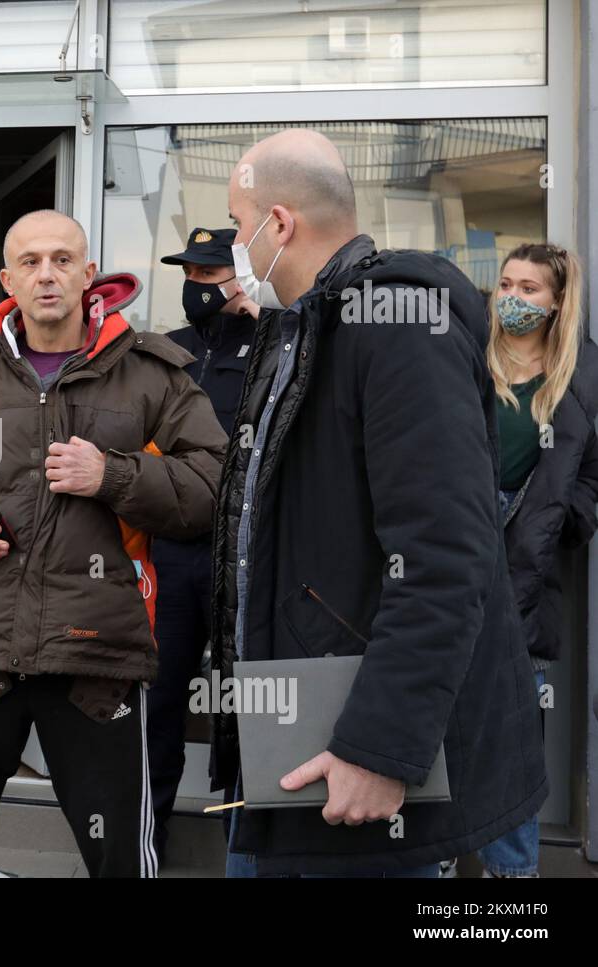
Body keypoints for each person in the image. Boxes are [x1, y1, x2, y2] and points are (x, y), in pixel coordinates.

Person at [211, 129, 548, 877]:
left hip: (355, 764)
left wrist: (379, 744)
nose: (235, 248)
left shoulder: (396, 324)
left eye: (238, 225)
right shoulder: (294, 329)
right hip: (288, 741)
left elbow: (444, 554)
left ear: (278, 224)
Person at [0, 209, 227, 877]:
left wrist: (115, 474)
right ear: (7, 277)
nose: (47, 274)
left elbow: (213, 481)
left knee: (119, 862)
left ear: (90, 275)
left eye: (63, 259)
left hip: (97, 658)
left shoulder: (154, 375)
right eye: (32, 261)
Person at [474, 242, 598, 876]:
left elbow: (592, 478)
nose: (513, 299)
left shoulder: (581, 376)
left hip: (526, 566)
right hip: (451, 553)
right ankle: (429, 858)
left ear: (556, 302)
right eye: (506, 284)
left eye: (530, 289)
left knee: (514, 739)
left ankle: (511, 886)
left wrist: (563, 522)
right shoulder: (467, 354)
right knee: (432, 725)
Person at [148, 227, 258, 861]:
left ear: (237, 279)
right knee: (158, 702)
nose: (197, 288)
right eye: (189, 276)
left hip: (241, 556)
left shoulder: (273, 341)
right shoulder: (168, 349)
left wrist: (258, 315)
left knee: (242, 713)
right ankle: (144, 848)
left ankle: (243, 853)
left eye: (210, 277)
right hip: (172, 553)